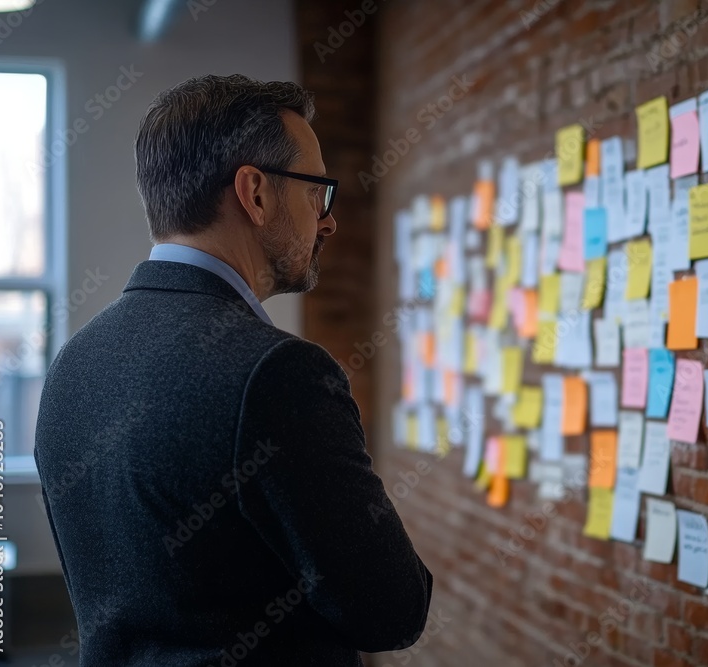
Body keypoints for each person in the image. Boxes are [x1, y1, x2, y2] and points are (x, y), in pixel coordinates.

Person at [34, 74, 433, 666]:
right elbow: (392, 609)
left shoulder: (74, 361)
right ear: (256, 193)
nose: (326, 221)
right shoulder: (279, 375)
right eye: (317, 190)